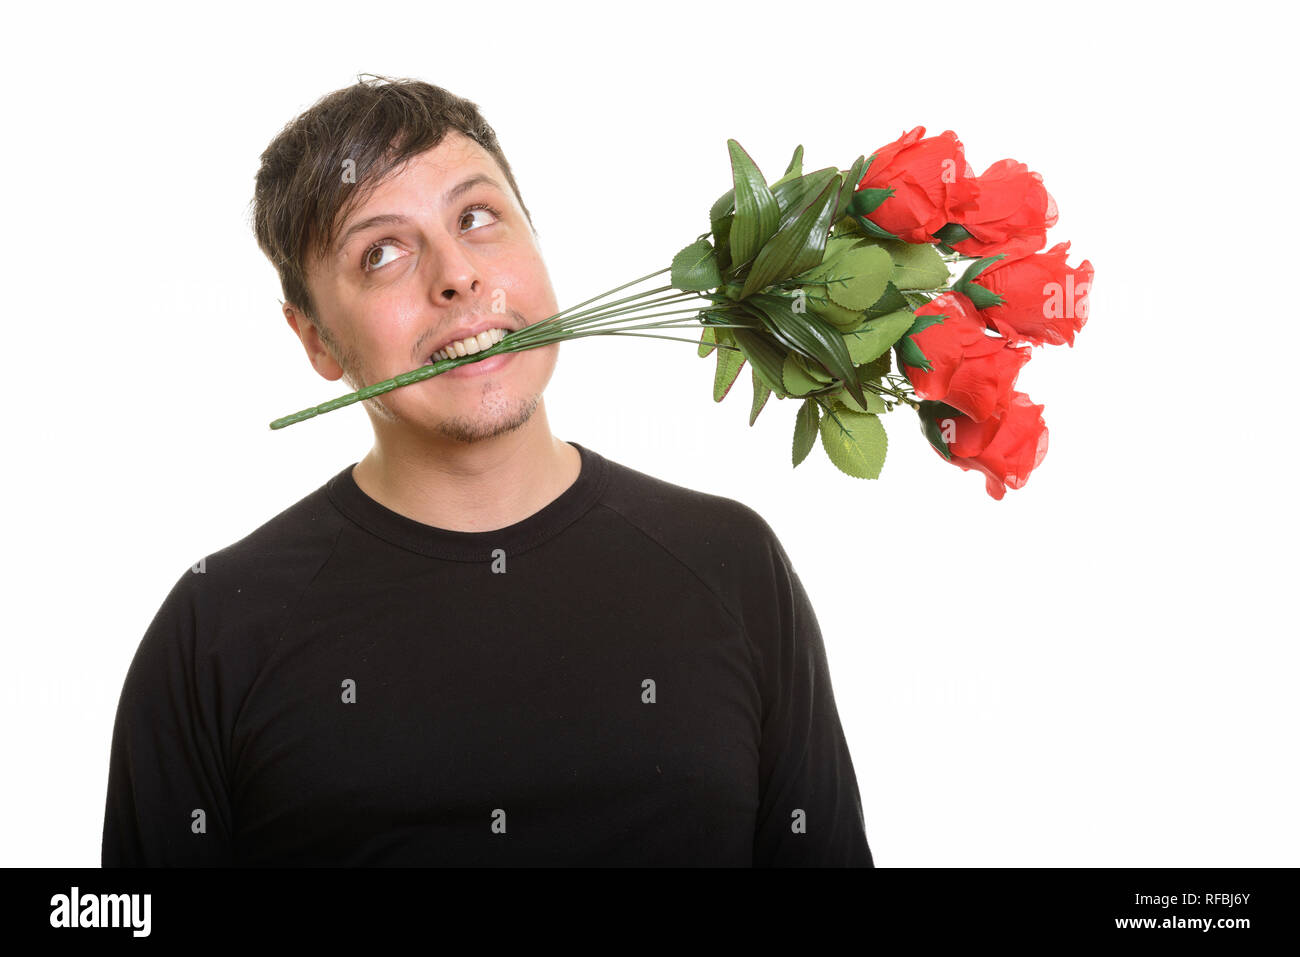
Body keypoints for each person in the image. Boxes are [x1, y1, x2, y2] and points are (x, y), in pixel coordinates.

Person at [100, 74, 874, 867]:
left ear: (536, 240)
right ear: (316, 340)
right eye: (382, 252)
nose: (458, 275)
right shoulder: (215, 632)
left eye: (476, 217)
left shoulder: (731, 562)